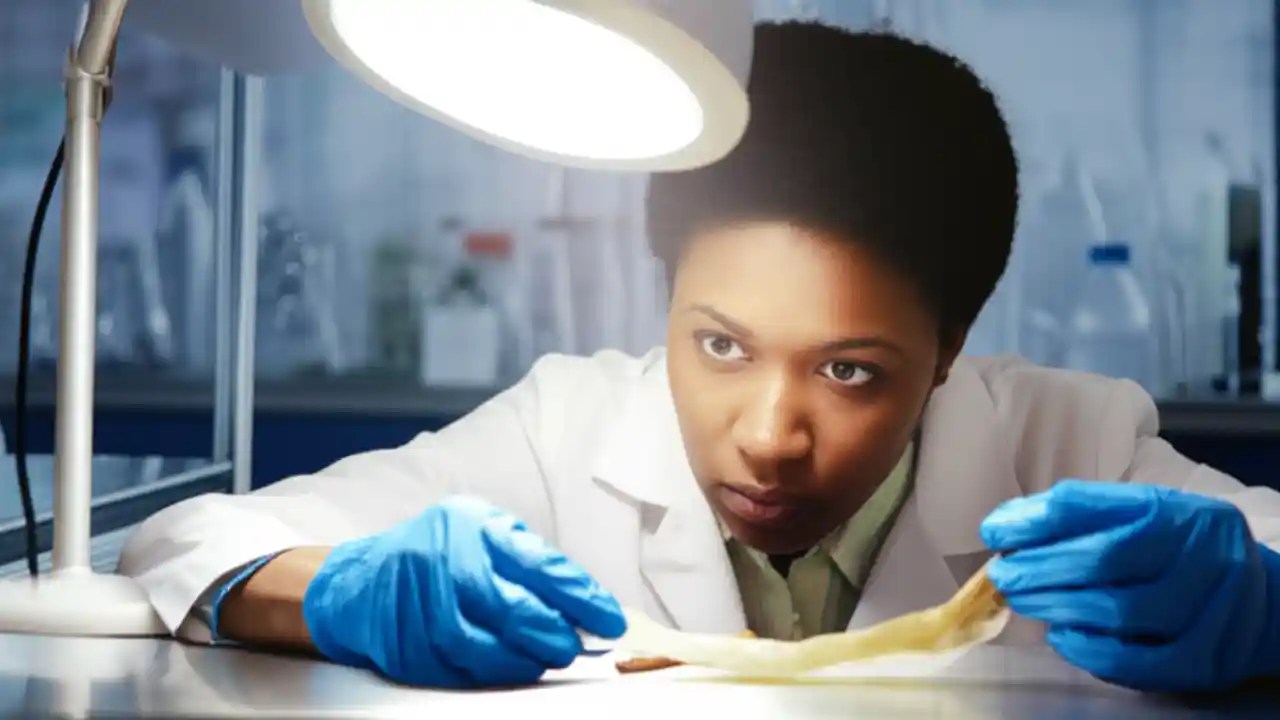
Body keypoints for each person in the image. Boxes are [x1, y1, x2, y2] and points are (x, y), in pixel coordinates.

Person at [120, 22, 1280, 693]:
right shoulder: (563, 431)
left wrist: (1258, 600)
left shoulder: (1062, 438)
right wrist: (334, 593)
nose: (768, 434)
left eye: (849, 371)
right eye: (718, 344)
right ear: (664, 294)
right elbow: (186, 541)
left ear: (948, 348)